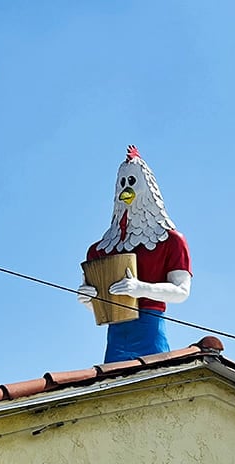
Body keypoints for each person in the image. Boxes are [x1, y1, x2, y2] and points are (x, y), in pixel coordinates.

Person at [77, 146, 192, 362]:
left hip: (151, 328)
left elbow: (182, 290)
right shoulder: (100, 250)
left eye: (132, 181)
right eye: (122, 183)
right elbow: (95, 300)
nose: (126, 189)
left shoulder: (171, 240)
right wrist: (88, 299)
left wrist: (141, 288)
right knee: (113, 386)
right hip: (116, 334)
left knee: (158, 383)